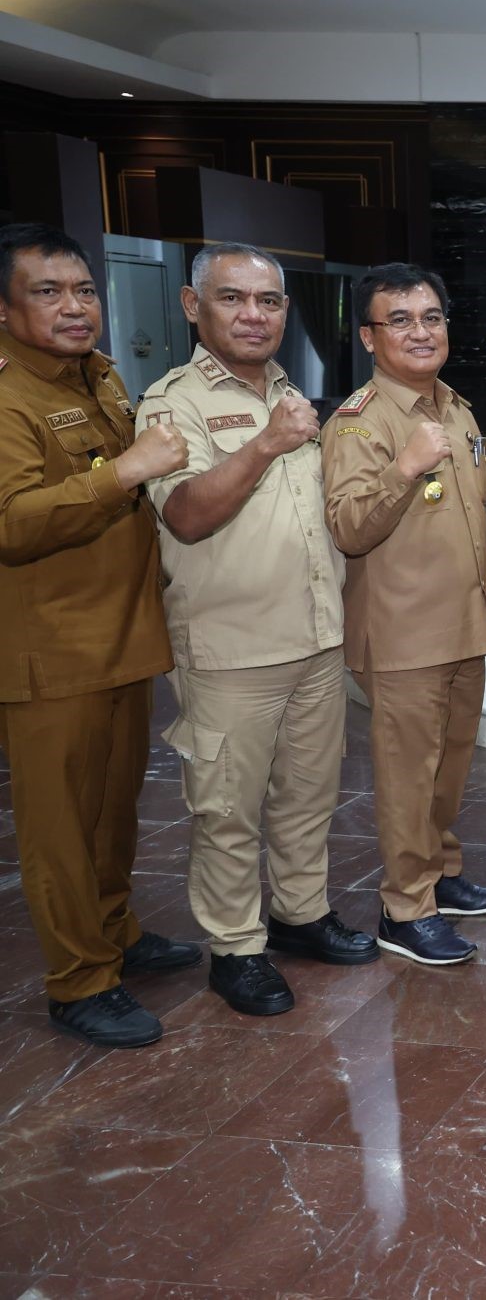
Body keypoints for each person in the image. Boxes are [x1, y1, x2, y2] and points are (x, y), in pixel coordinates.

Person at [139, 243, 374, 1017]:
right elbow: (187, 513)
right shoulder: (173, 403)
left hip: (314, 638)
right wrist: (269, 441)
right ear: (191, 306)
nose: (253, 314)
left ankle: (300, 914)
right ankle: (236, 947)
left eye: (268, 301)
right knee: (228, 808)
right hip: (231, 649)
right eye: (233, 298)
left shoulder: (288, 389)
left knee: (310, 796)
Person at [0, 222, 195, 1047]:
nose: (75, 308)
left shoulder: (99, 377)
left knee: (115, 810)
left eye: (83, 290)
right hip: (53, 653)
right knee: (61, 828)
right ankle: (78, 979)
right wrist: (123, 470)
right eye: (48, 292)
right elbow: (11, 522)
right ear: (7, 307)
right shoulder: (10, 396)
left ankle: (113, 934)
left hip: (122, 636)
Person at [321, 263, 486, 965]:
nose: (420, 331)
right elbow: (347, 528)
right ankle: (405, 907)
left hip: (461, 622)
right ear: (370, 336)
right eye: (399, 320)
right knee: (407, 775)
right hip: (399, 632)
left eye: (431, 316)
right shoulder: (361, 421)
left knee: (450, 766)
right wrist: (403, 470)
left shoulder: (454, 408)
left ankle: (442, 873)